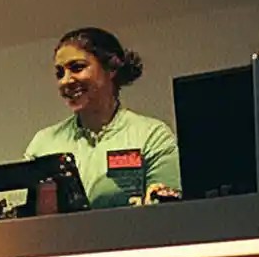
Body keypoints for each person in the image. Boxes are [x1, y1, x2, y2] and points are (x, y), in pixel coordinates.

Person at [25, 27, 182, 209]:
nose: (65, 81)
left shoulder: (152, 136)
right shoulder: (43, 144)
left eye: (77, 68)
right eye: (60, 73)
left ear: (111, 68)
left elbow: (169, 212)